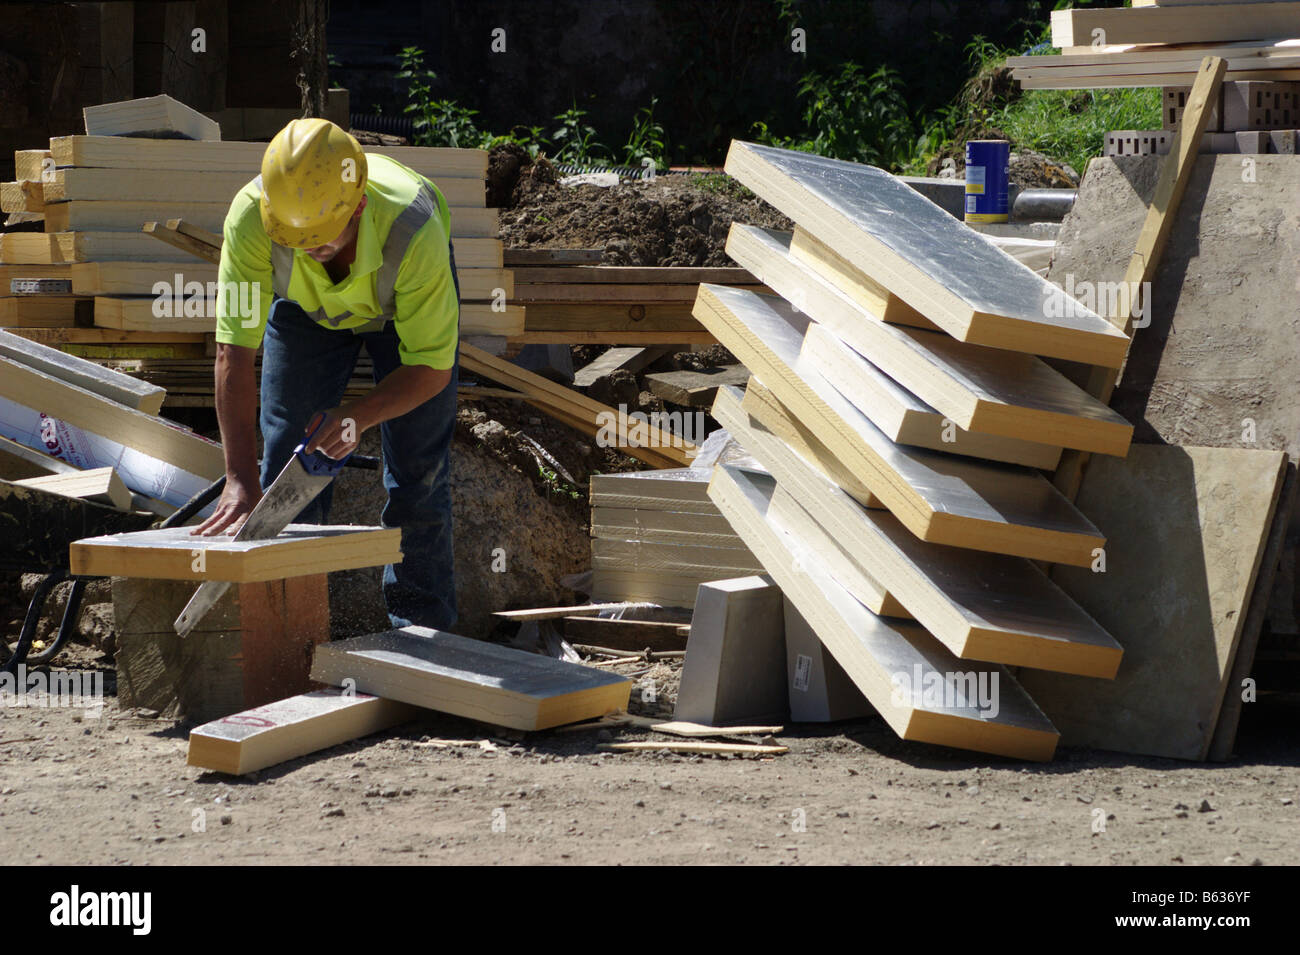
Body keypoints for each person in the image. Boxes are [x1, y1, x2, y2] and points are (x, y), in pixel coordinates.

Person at [193, 118, 460, 631]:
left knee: (419, 472)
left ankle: (423, 635)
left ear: (357, 206)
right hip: (303, 312)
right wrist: (239, 481)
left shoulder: (413, 226)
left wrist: (356, 418)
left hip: (400, 305)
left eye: (319, 237)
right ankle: (291, 634)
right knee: (284, 465)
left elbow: (429, 368)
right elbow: (235, 356)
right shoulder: (253, 218)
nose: (306, 247)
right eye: (294, 238)